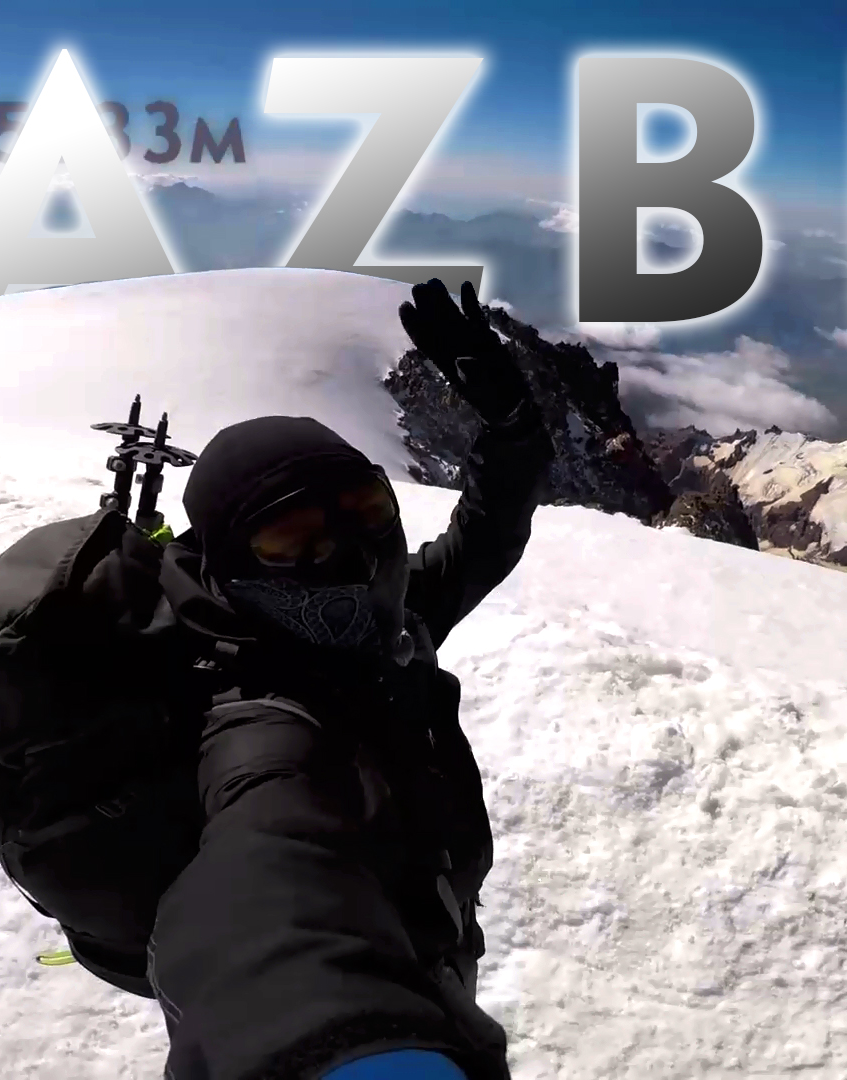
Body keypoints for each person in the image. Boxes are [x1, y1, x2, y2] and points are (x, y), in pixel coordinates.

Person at [144, 278, 551, 1079]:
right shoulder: (260, 722)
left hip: (426, 938)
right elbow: (261, 884)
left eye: (366, 510)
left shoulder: (380, 626)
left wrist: (512, 425)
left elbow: (487, 533)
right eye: (292, 540)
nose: (352, 556)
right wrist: (329, 1048)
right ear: (230, 568)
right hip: (395, 969)